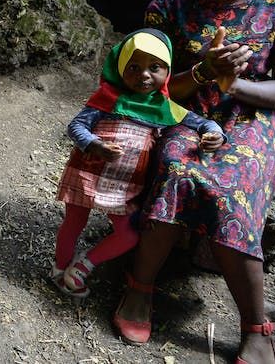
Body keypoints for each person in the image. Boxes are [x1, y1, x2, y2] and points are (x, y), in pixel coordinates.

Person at [111, 0, 275, 364]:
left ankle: (256, 327)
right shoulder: (170, 7)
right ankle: (140, 288)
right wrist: (204, 74)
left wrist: (234, 83)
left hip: (253, 119)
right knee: (176, 171)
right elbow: (150, 91)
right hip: (187, 112)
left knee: (230, 191)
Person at [52, 29, 224, 297]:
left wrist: (215, 134)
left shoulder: (164, 108)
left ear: (167, 70)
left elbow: (201, 122)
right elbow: (76, 126)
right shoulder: (106, 98)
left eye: (154, 67)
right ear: (119, 69)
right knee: (73, 223)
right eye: (133, 67)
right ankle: (59, 269)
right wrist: (95, 144)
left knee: (128, 235)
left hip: (125, 184)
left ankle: (83, 266)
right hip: (87, 170)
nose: (144, 74)